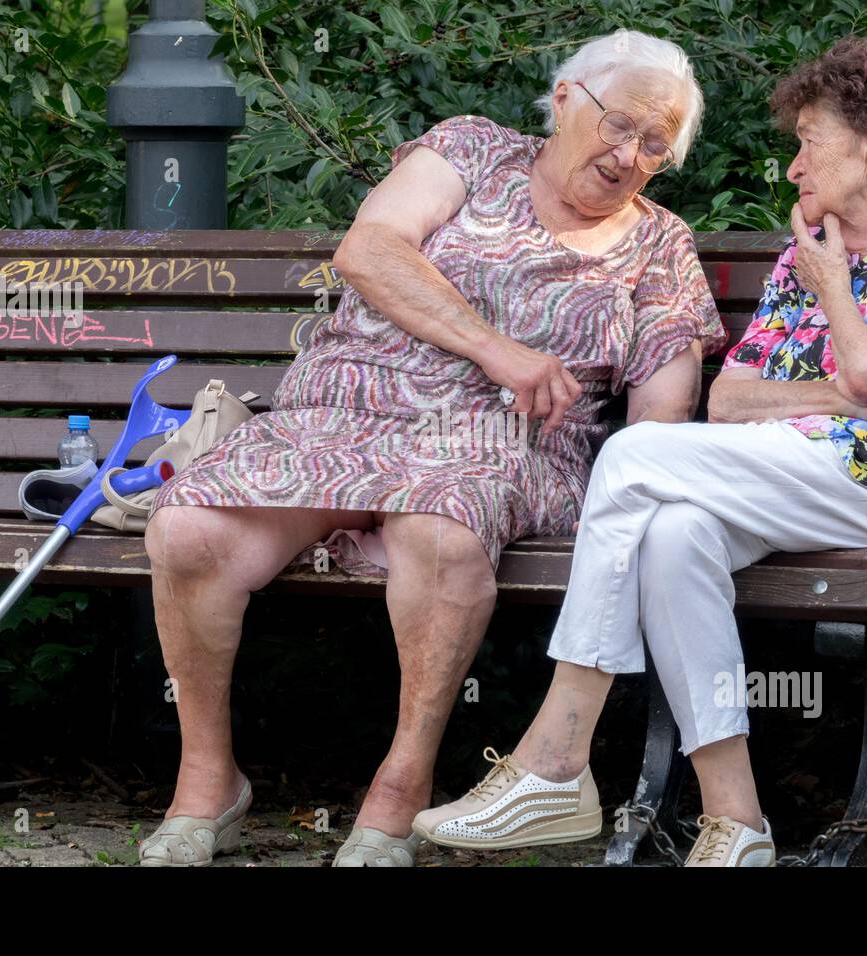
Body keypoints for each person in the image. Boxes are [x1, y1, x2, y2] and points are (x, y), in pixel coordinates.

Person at [414, 34, 867, 867]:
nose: (792, 169)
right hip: (809, 469)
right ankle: (735, 825)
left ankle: (556, 756)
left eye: (808, 141)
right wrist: (850, 394)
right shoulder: (812, 245)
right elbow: (733, 398)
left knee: (634, 459)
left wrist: (836, 299)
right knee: (673, 538)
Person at [137, 29, 726, 866]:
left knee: (440, 529)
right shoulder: (470, 151)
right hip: (340, 415)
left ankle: (398, 792)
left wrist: (635, 474)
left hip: (502, 445)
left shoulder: (659, 244)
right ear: (565, 100)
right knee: (189, 529)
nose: (630, 154)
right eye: (620, 124)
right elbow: (370, 250)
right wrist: (498, 348)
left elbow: (661, 413)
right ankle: (206, 781)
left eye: (655, 144)